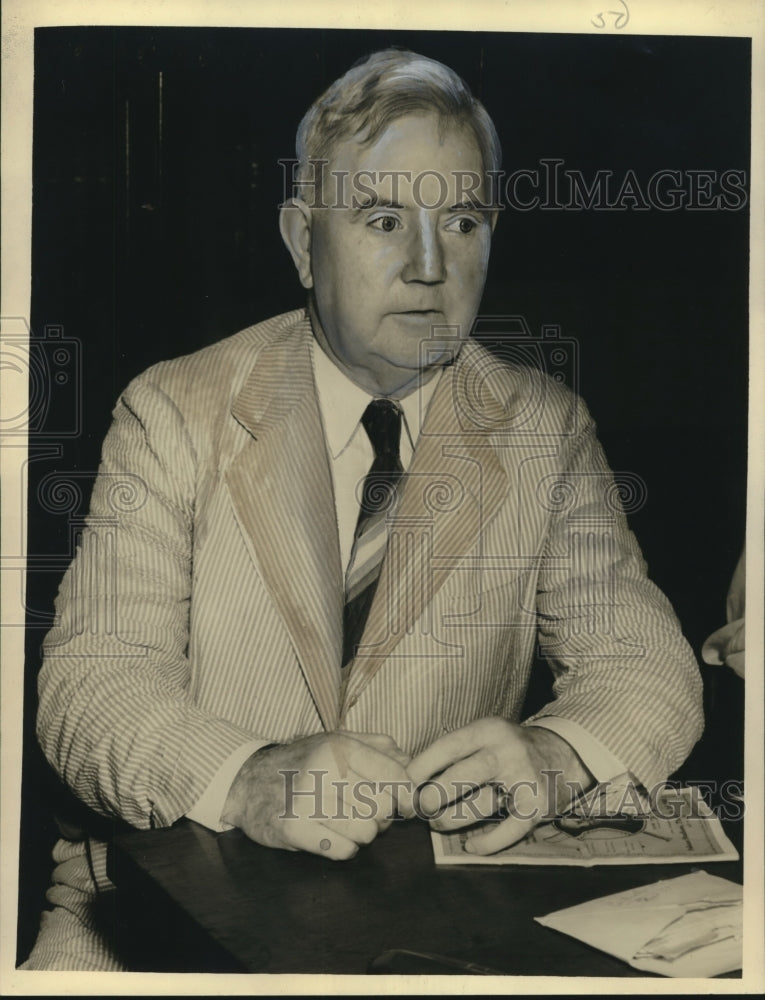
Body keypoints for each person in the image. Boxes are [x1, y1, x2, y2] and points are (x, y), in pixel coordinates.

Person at [23, 48, 704, 971]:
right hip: (153, 908)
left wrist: (554, 756)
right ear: (302, 242)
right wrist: (251, 780)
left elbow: (646, 669)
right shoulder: (175, 408)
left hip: (428, 920)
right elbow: (88, 689)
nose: (430, 266)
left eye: (460, 221)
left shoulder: (545, 427)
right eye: (384, 219)